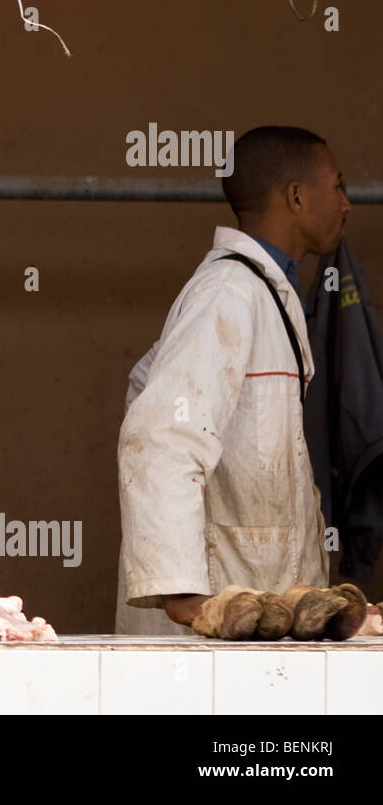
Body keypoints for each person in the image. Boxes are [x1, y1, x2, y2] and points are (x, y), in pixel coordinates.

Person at [116, 126, 352, 635]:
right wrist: (184, 595)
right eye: (337, 186)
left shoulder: (263, 292)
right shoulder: (228, 293)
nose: (347, 204)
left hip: (253, 623)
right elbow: (159, 437)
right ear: (296, 196)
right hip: (208, 628)